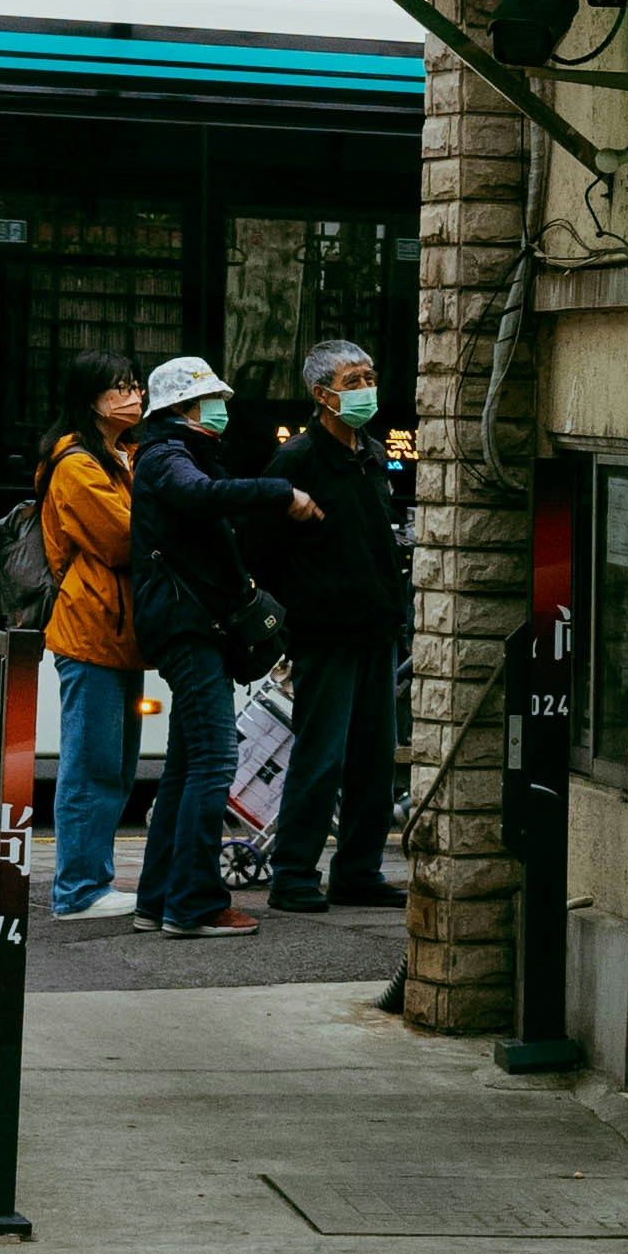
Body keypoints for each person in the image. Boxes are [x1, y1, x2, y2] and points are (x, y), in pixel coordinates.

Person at [126, 354, 322, 938]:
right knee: (214, 761)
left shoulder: (174, 454)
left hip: (191, 625)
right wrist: (280, 491)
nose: (223, 409)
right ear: (182, 409)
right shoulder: (167, 457)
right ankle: (194, 905)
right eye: (212, 400)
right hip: (190, 629)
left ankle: (158, 899)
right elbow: (201, 497)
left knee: (187, 768)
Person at [266, 342, 405, 913]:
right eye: (354, 379)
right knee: (321, 756)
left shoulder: (370, 454)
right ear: (323, 395)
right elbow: (265, 549)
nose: (367, 388)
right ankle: (293, 873)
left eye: (370, 375)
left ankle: (358, 870)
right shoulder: (297, 460)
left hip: (376, 628)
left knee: (375, 758)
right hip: (324, 633)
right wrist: (290, 626)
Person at [36, 363, 148, 919]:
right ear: (92, 399)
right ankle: (79, 891)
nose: (136, 396)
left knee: (116, 765)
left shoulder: (118, 456)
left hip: (116, 632)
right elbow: (125, 538)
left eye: (137, 385)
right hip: (92, 630)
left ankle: (91, 884)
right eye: (123, 388)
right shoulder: (78, 466)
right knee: (92, 766)